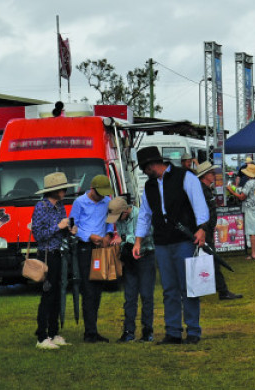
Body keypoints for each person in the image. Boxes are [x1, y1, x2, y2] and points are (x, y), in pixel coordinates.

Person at [133, 146, 210, 345]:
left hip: (184, 239)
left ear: (152, 164)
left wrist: (202, 228)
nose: (143, 172)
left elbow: (199, 203)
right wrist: (138, 240)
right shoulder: (149, 187)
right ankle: (173, 332)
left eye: (144, 167)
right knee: (169, 289)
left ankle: (193, 331)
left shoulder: (185, 176)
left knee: (188, 287)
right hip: (162, 242)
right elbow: (145, 214)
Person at [69, 174, 117, 343]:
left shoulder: (106, 201)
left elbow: (110, 221)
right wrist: (89, 237)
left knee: (97, 288)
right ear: (92, 189)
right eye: (99, 193)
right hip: (86, 248)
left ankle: (93, 330)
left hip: (101, 248)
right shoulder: (79, 202)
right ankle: (89, 332)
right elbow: (73, 225)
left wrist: (108, 235)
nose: (102, 196)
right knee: (88, 289)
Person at [29, 172, 75, 350]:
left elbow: (60, 231)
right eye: (61, 189)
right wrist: (59, 227)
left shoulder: (60, 207)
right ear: (53, 191)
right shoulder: (41, 207)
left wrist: (68, 230)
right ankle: (42, 336)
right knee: (47, 294)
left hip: (58, 253)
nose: (64, 191)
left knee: (57, 294)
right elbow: (38, 235)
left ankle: (53, 333)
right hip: (46, 254)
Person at [194, 161, 242, 300]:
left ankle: (221, 290)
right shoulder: (201, 190)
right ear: (205, 176)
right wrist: (203, 228)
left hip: (206, 229)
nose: (214, 175)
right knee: (209, 260)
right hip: (203, 231)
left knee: (210, 260)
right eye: (211, 173)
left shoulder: (206, 189)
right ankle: (221, 290)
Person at [114, 194, 156, 343]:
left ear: (125, 211)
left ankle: (147, 331)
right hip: (130, 259)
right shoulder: (119, 218)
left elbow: (147, 234)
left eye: (118, 216)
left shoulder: (140, 215)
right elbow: (121, 236)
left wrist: (125, 239)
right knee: (129, 296)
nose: (117, 221)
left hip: (145, 257)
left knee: (146, 295)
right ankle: (128, 331)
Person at [234, 163, 255, 260]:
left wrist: (232, 191)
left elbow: (242, 196)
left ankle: (253, 253)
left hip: (249, 209)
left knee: (252, 232)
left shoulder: (249, 183)